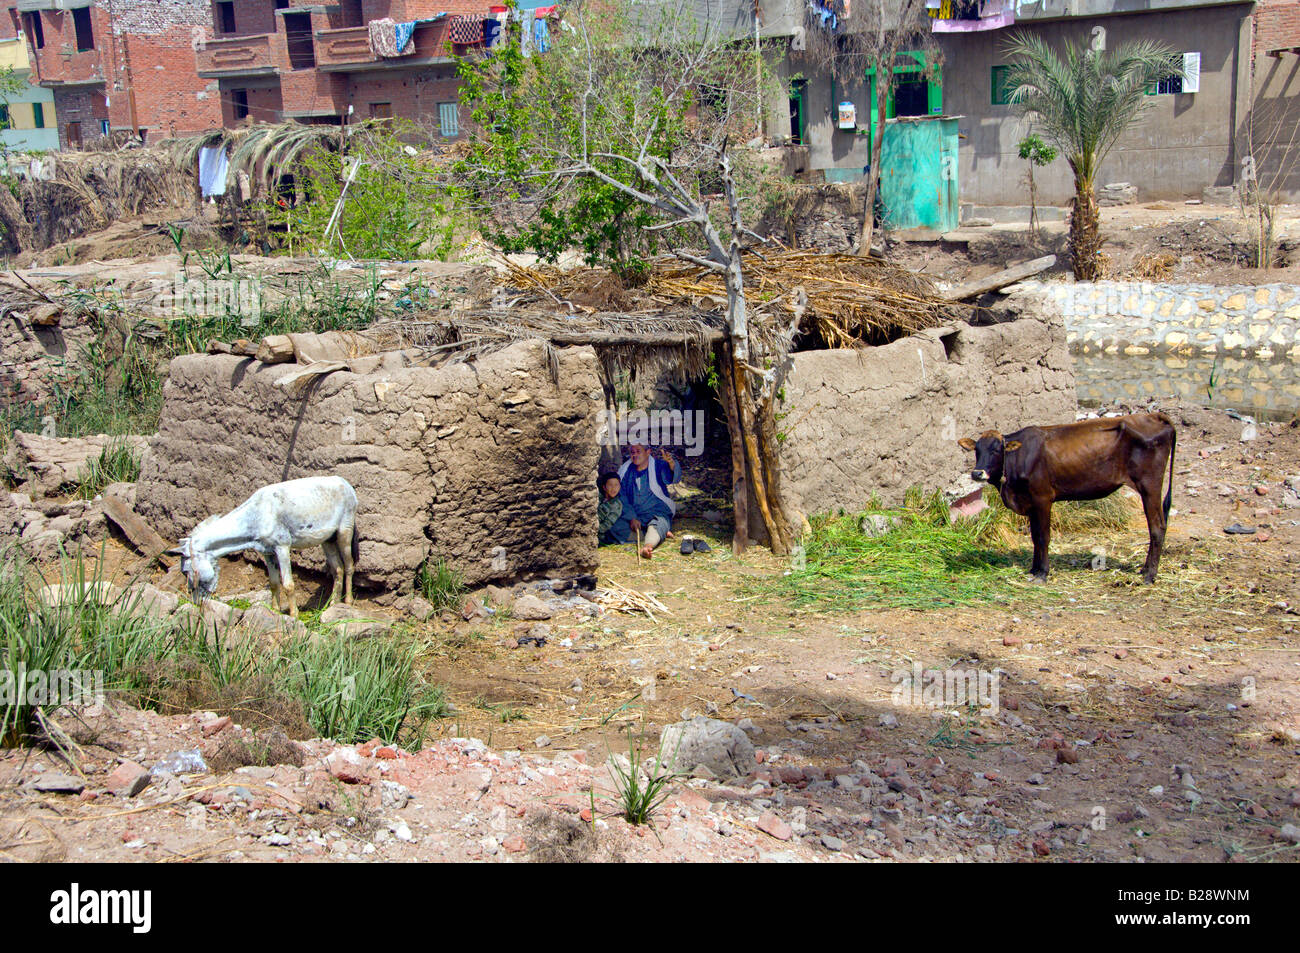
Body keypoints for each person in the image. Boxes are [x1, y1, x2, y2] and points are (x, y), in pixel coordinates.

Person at [610, 443, 681, 559]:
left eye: (639, 451)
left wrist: (671, 464)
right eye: (632, 452)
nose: (635, 455)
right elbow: (622, 498)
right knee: (614, 527)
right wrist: (632, 517)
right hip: (637, 515)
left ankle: (648, 545)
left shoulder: (658, 466)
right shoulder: (626, 471)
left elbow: (673, 478)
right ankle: (657, 533)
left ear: (648, 452)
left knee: (658, 523)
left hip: (657, 511)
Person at [596, 472, 623, 545]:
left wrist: (590, 528)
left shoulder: (617, 505)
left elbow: (604, 527)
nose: (613, 488)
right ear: (604, 487)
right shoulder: (596, 496)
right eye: (610, 485)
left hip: (598, 537)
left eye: (616, 485)